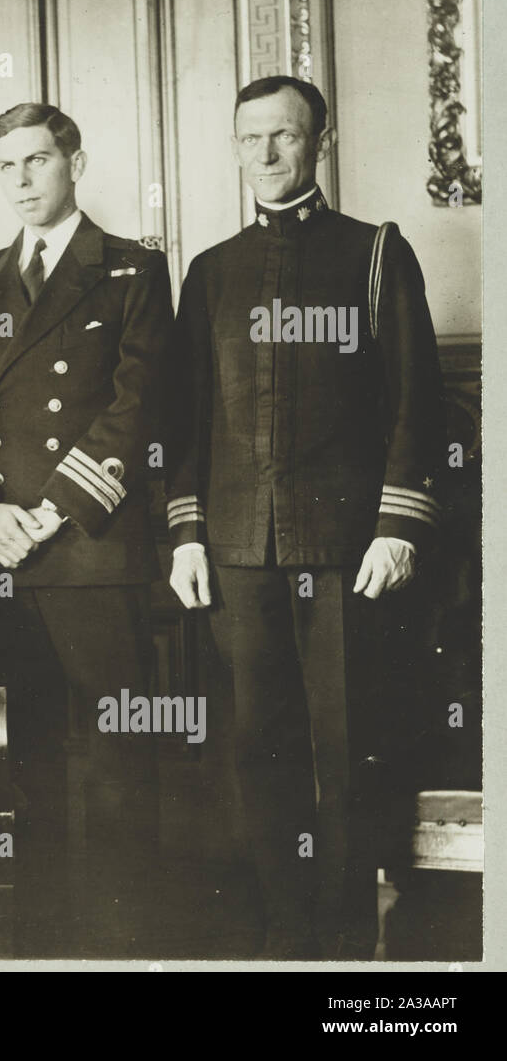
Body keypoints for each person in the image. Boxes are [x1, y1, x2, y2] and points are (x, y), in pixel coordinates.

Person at [165, 76, 445, 958]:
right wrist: (186, 535)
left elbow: (418, 403)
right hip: (240, 553)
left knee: (348, 748)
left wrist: (398, 526)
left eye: (285, 136)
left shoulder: (374, 253)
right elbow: (184, 419)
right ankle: (279, 946)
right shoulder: (211, 271)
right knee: (258, 756)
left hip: (348, 551)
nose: (269, 154)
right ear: (236, 146)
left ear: (319, 141)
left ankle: (344, 948)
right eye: (252, 139)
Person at [0, 102, 173, 957]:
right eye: (6, 166)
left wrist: (50, 510)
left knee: (117, 763)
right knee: (16, 767)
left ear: (75, 160)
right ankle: (31, 948)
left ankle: (121, 945)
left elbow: (133, 409)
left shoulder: (134, 270)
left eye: (36, 161)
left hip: (92, 549)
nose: (21, 181)